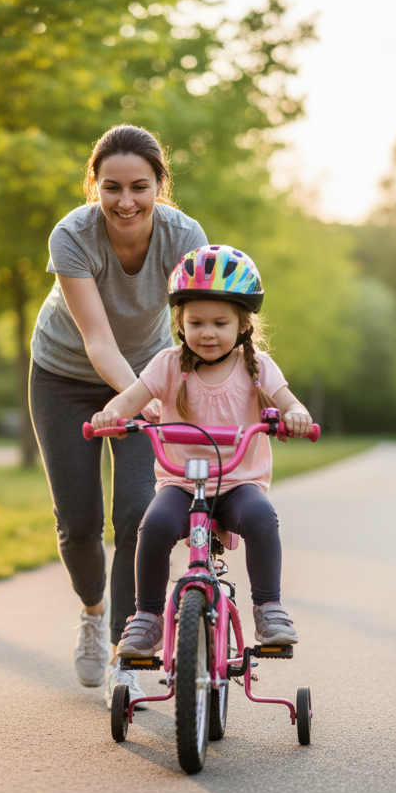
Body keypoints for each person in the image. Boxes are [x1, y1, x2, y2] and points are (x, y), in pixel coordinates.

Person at [30, 124, 208, 707]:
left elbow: (200, 325)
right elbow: (98, 343)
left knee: (136, 512)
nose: (125, 201)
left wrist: (197, 391)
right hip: (64, 376)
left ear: (160, 184)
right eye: (111, 187)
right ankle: (92, 610)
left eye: (139, 186)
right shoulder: (72, 235)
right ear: (95, 186)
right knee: (78, 524)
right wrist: (143, 395)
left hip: (145, 380)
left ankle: (123, 654)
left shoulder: (185, 236)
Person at [89, 245, 313, 665]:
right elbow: (132, 397)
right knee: (152, 526)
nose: (207, 333)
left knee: (262, 517)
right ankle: (148, 615)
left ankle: (268, 607)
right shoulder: (169, 365)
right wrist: (111, 414)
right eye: (196, 322)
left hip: (236, 484)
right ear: (180, 322)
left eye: (220, 323)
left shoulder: (257, 366)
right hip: (181, 484)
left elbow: (289, 403)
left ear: (243, 325)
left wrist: (296, 416)